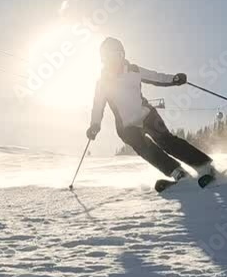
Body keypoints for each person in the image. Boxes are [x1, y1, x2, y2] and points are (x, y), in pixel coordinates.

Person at [86, 37, 214, 183]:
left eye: (118, 55)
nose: (115, 60)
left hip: (147, 115)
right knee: (144, 148)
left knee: (167, 141)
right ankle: (176, 171)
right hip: (126, 126)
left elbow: (156, 77)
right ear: (104, 59)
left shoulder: (134, 70)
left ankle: (203, 165)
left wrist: (174, 79)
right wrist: (94, 125)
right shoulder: (102, 83)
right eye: (111, 56)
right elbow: (97, 106)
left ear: (123, 55)